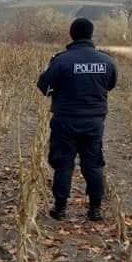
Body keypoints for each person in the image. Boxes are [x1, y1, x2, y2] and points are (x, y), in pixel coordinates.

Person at [36, 17, 118, 221]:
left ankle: (60, 208)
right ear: (91, 34)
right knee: (93, 164)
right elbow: (110, 85)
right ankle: (95, 209)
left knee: (63, 164)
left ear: (71, 34)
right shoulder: (107, 61)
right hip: (94, 122)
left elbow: (43, 86)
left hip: (65, 121)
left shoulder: (61, 60)